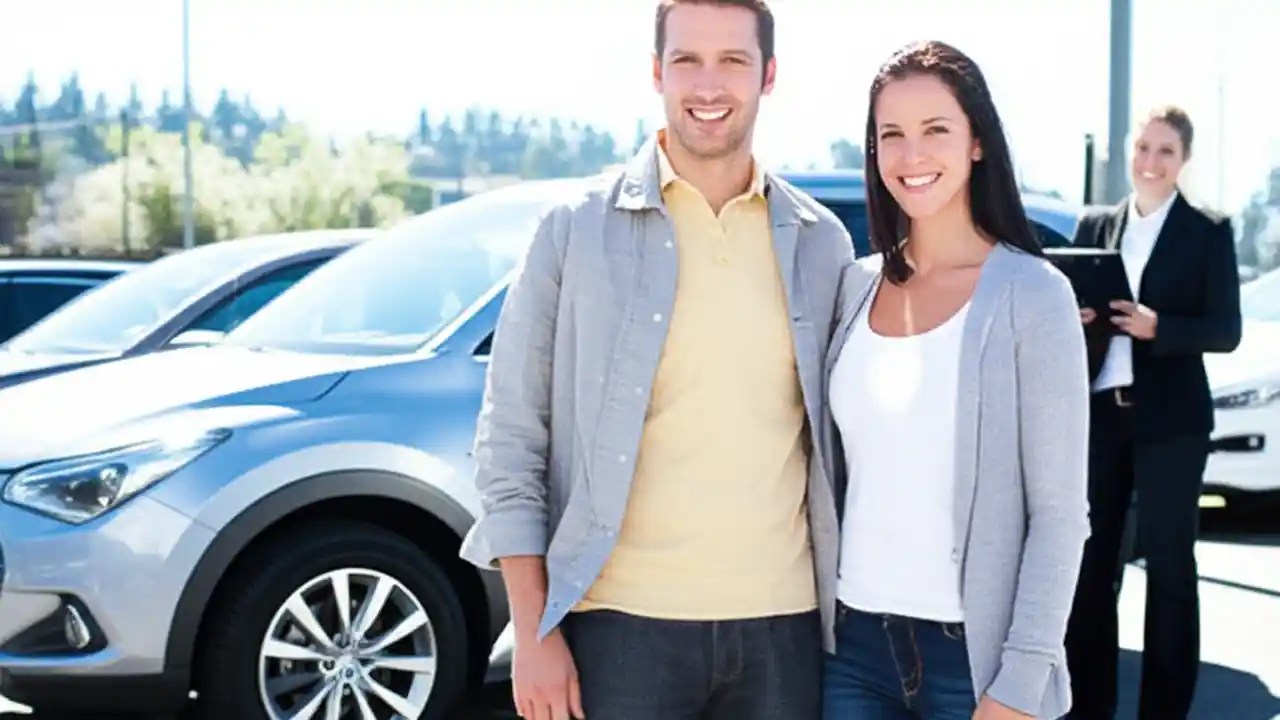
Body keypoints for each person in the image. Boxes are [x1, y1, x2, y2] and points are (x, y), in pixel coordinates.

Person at [459, 1, 857, 718]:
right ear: (656, 72)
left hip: (784, 634)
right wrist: (534, 630)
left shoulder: (821, 243)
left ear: (768, 75)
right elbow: (510, 438)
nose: (709, 85)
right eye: (687, 61)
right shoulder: (574, 230)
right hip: (617, 630)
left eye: (733, 61)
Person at [820, 40, 1091, 720]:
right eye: (892, 134)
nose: (911, 155)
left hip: (972, 659)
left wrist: (1019, 681)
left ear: (977, 142)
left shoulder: (1033, 294)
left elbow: (1060, 515)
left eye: (935, 129)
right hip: (852, 649)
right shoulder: (853, 287)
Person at [1064, 105, 1242, 720]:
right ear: (1128, 151)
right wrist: (1080, 318)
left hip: (1172, 423)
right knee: (1091, 572)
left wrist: (1158, 326)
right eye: (1143, 148)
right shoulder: (1094, 225)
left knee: (1169, 573)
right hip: (1102, 420)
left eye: (1165, 151)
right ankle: (1088, 708)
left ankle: (1163, 712)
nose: (1150, 162)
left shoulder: (1208, 231)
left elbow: (1226, 329)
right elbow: (1066, 309)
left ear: (1183, 160)